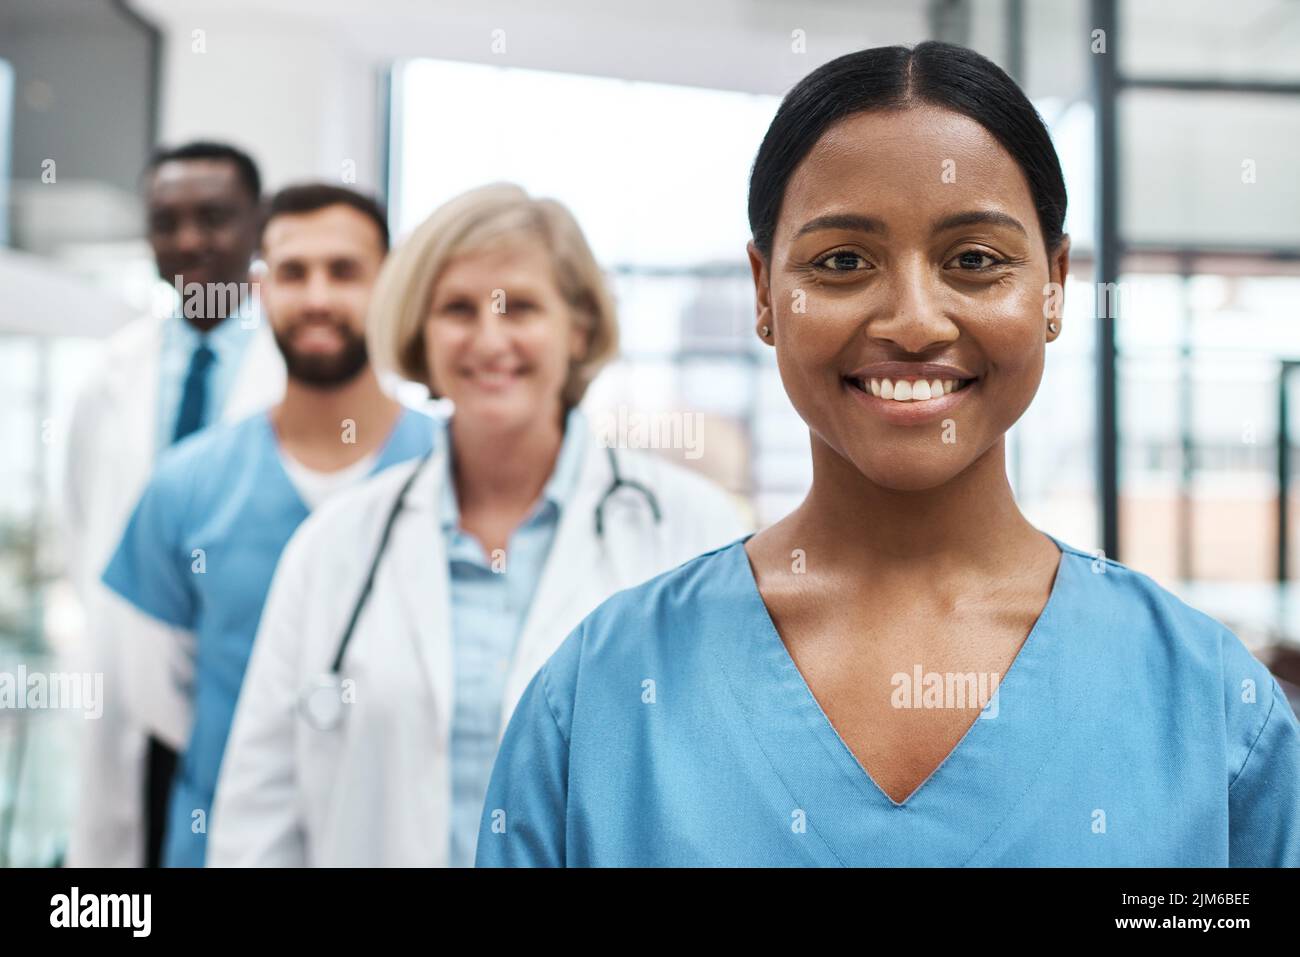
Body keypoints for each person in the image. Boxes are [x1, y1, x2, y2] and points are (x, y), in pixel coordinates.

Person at [476, 43, 1300, 867]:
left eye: (975, 260)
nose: (914, 322)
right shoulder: (603, 696)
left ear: (1054, 287)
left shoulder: (1212, 711)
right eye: (842, 262)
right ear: (765, 293)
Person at [207, 183, 748, 867]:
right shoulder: (333, 546)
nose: (490, 340)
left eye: (519, 306)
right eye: (458, 309)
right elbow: (257, 819)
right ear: (420, 335)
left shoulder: (693, 531)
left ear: (577, 327)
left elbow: (736, 798)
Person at [99, 183, 436, 867]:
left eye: (344, 271)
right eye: (292, 272)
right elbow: (159, 697)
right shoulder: (188, 484)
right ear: (259, 288)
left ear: (391, 285)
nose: (317, 297)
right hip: (224, 839)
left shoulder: (449, 472)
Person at [63, 141, 285, 868]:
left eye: (214, 217)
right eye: (166, 221)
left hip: (246, 683)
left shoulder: (296, 374)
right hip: (127, 687)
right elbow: (84, 527)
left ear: (258, 224)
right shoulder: (111, 372)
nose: (188, 240)